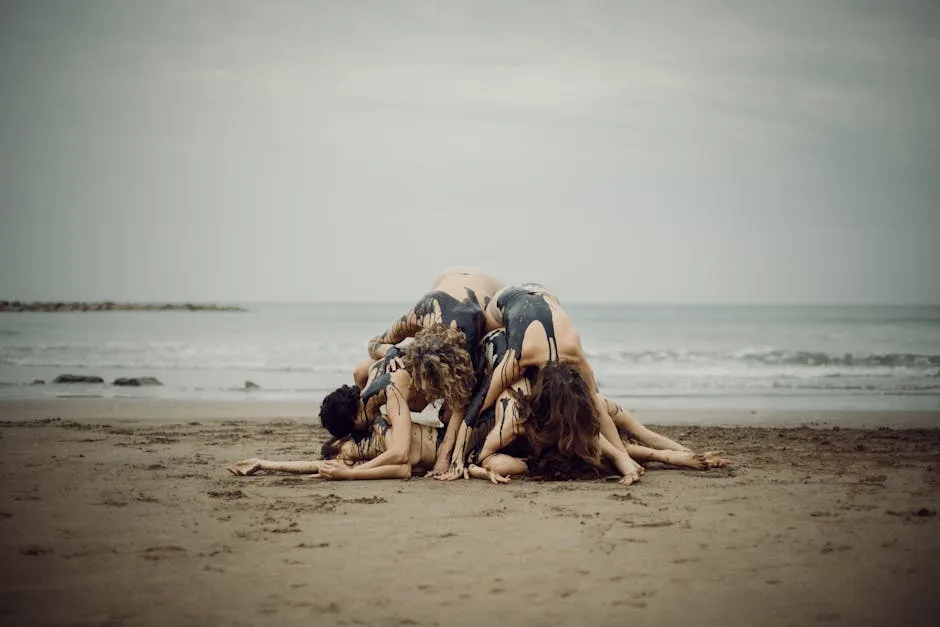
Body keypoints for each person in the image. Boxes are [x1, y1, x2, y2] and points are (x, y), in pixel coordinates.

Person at [356, 268, 504, 474]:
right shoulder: (420, 313)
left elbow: (462, 399)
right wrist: (390, 352)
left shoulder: (470, 337)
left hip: (490, 290)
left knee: (471, 390)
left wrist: (444, 456)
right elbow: (374, 343)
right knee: (361, 369)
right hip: (448, 279)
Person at [317, 324, 476, 479]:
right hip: (444, 355)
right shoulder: (369, 372)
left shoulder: (393, 391)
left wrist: (352, 472)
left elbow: (401, 453)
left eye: (352, 430)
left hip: (465, 369)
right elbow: (372, 351)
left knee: (448, 415)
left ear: (355, 419)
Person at [226, 414, 509, 483]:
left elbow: (402, 467)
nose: (342, 457)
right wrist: (264, 463)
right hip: (470, 456)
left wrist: (349, 474)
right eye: (338, 458)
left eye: (340, 450)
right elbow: (315, 465)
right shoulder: (369, 462)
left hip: (463, 438)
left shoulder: (378, 427)